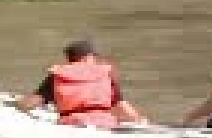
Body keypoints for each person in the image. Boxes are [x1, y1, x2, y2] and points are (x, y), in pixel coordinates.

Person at [14, 39, 146, 129]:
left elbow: (29, 104)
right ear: (88, 56)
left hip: (72, 125)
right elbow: (122, 107)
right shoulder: (105, 75)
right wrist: (140, 121)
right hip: (105, 124)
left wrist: (16, 105)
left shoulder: (58, 76)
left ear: (70, 59)